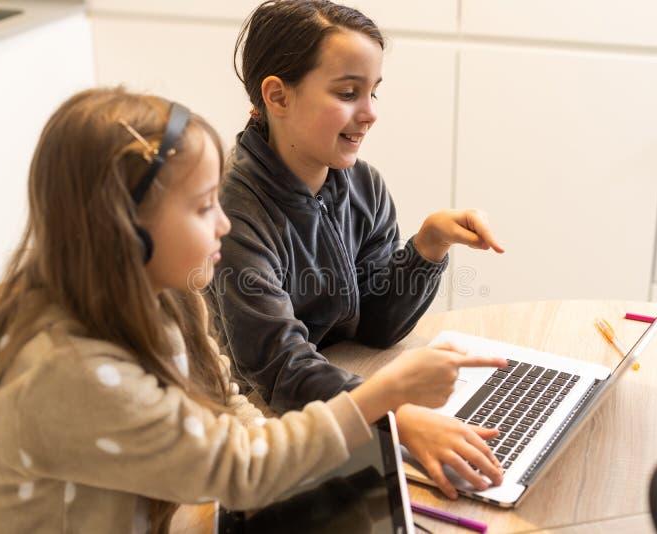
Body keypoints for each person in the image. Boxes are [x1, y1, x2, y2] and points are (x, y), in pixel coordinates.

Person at [0, 87, 506, 534]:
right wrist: (383, 398)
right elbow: (241, 471)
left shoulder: (165, 297)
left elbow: (227, 407)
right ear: (124, 228)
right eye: (202, 205)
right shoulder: (69, 372)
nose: (222, 222)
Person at [207, 0, 507, 500]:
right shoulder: (232, 213)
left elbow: (377, 327)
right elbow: (278, 371)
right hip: (253, 426)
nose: (369, 113)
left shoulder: (359, 183)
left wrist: (426, 247)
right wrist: (395, 414)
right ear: (277, 96)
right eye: (348, 93)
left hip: (335, 391)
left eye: (373, 92)